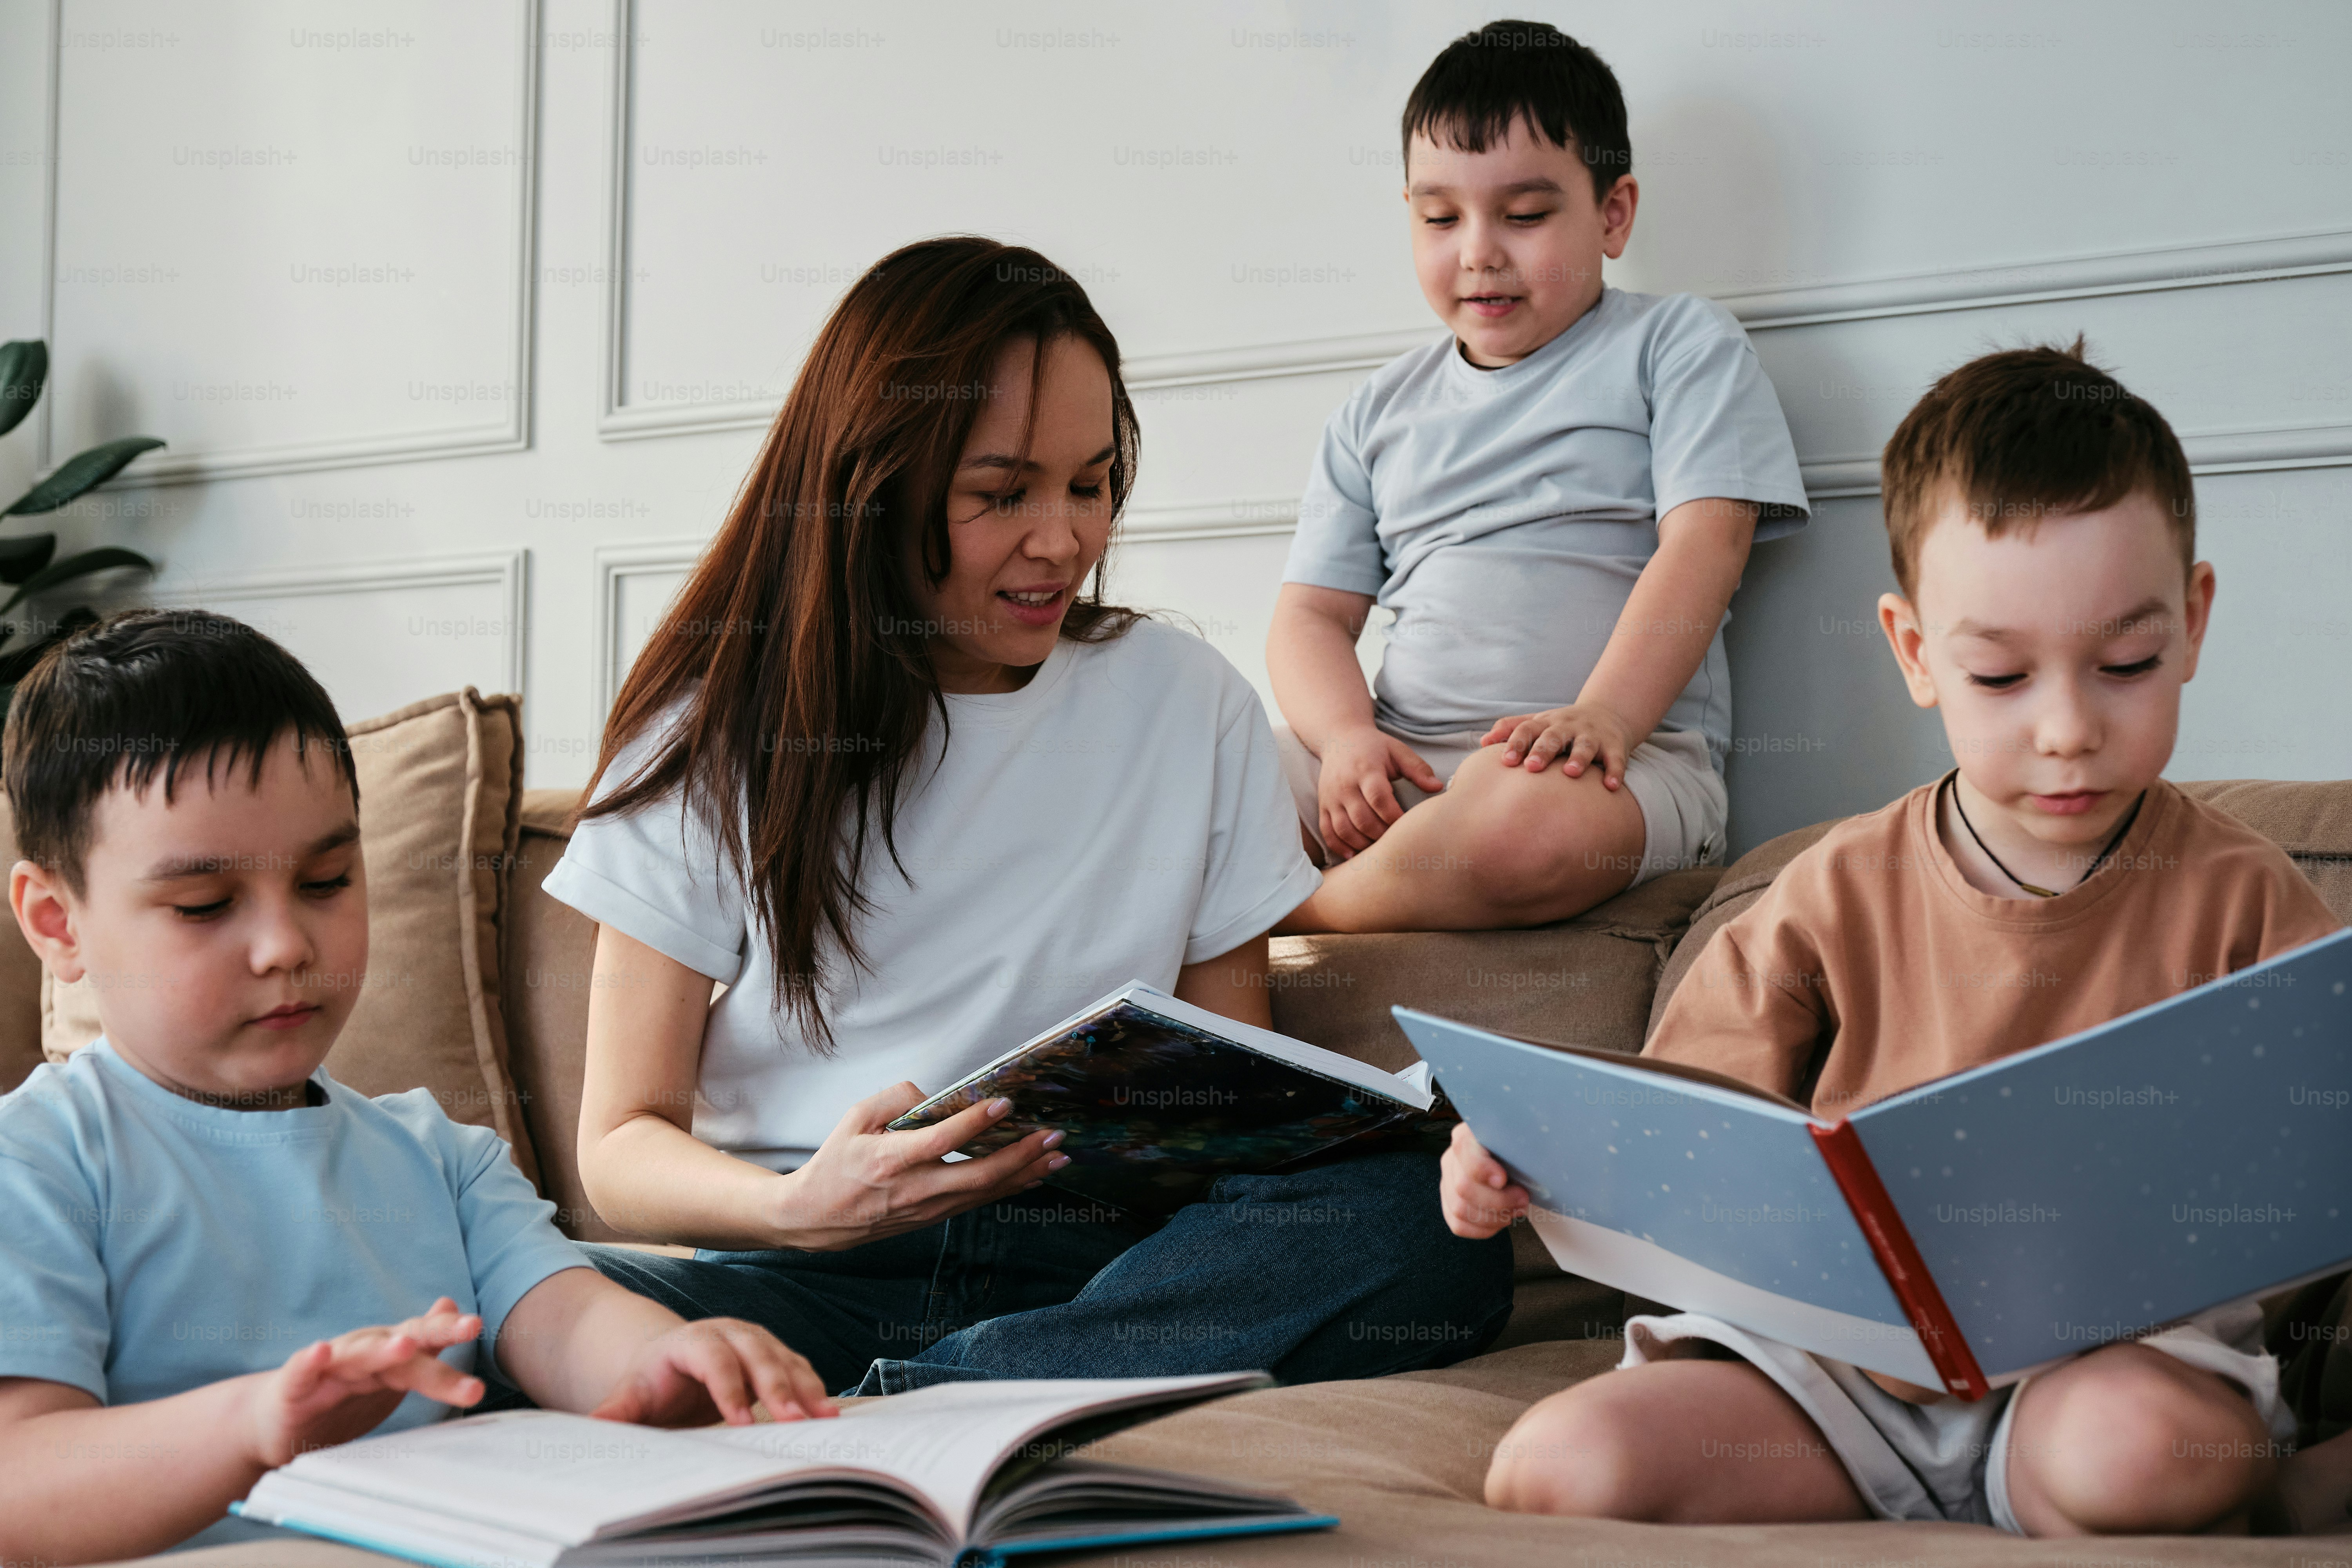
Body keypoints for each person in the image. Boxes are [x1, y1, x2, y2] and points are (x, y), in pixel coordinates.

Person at [548, 235, 1513, 1398]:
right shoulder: (714, 731)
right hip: (811, 1263)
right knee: (494, 1308)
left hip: (1104, 1269)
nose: (1062, 541)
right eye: (1001, 493)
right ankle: (975, 1394)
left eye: (1090, 484)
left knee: (1422, 1230)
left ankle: (917, 1404)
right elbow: (619, 1144)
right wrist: (799, 1207)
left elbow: (1232, 1091)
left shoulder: (1184, 702)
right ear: (874, 486)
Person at [1439, 343, 2352, 1535]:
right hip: (1834, 1391)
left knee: (2142, 1453)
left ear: (2191, 623)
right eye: (2001, 673)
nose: (2068, 728)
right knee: (1563, 1466)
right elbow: (1669, 1134)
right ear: (1918, 653)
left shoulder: (2251, 898)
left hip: (2111, 1386)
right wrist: (1518, 1164)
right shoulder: (1836, 890)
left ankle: (2257, 1480)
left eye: (2126, 664)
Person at [0, 611, 835, 1564]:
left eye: (326, 880)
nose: (286, 947)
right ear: (58, 922)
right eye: (206, 904)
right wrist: (254, 1425)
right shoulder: (37, 1164)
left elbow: (565, 1315)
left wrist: (664, 1355)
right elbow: (17, 1484)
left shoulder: (439, 1156)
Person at [1267, 18, 1809, 934]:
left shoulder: (1677, 345)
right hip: (1406, 756)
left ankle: (1301, 918)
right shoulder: (1376, 411)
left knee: (1523, 830)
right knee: (1194, 781)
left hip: (1614, 764)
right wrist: (1347, 737)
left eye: (1523, 215)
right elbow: (1312, 616)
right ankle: (1366, 875)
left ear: (1613, 214)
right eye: (1440, 217)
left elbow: (1707, 542)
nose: (1478, 249)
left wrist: (1607, 714)